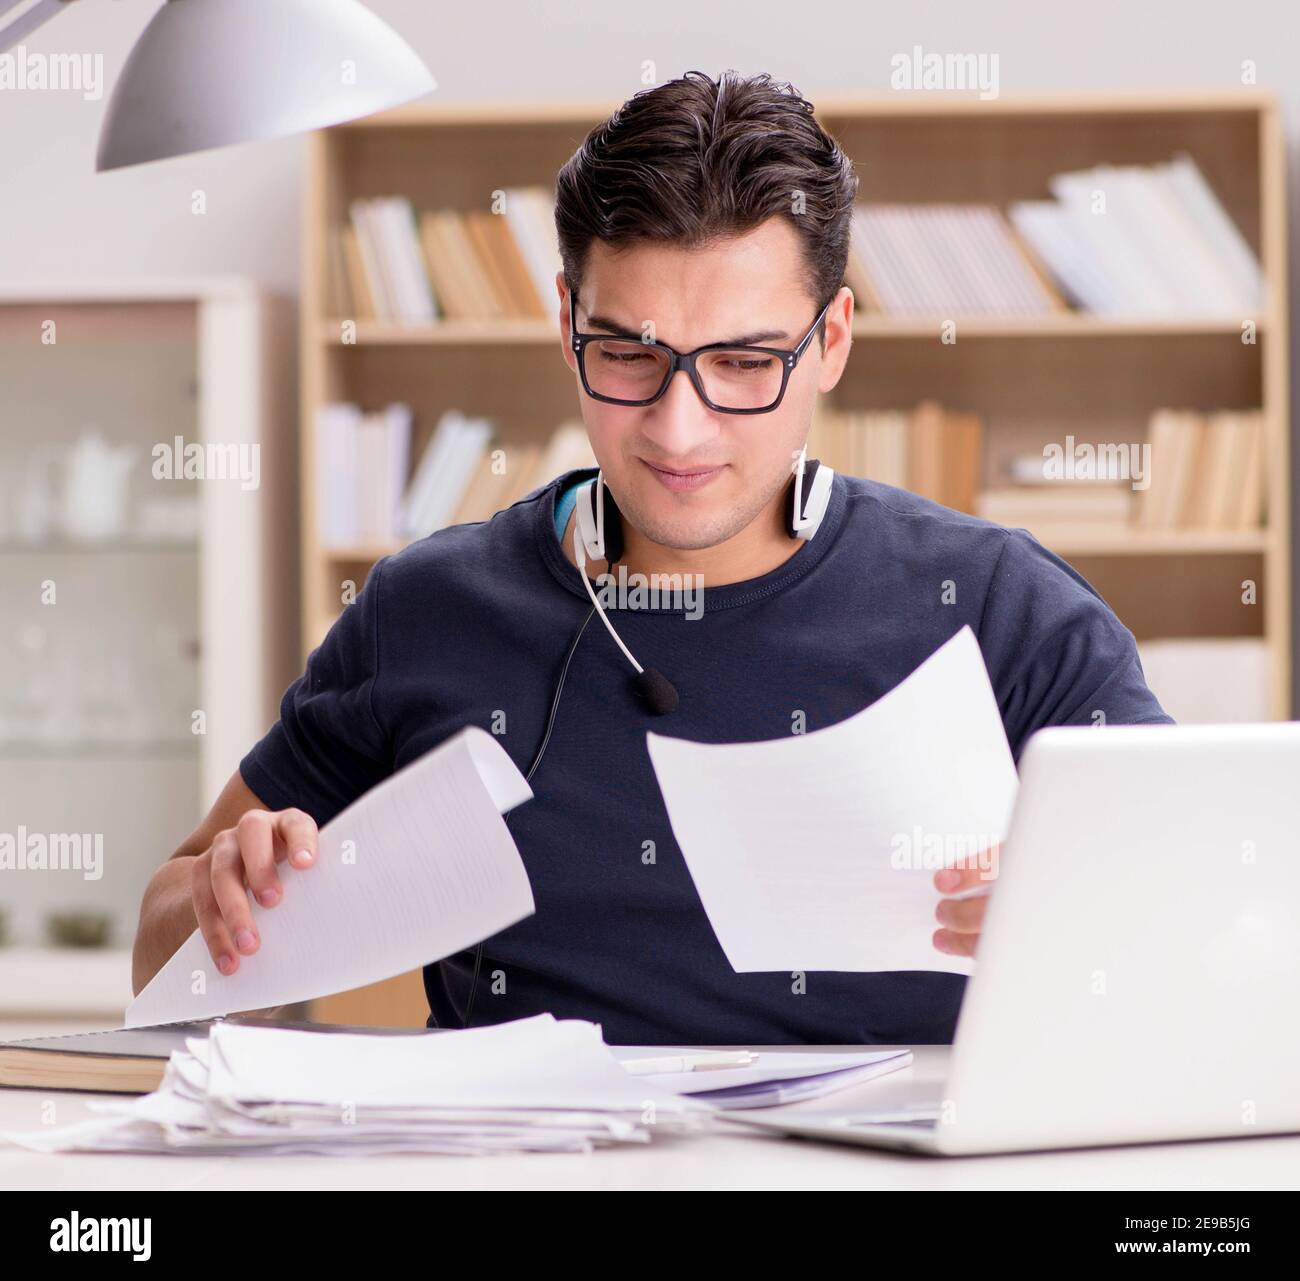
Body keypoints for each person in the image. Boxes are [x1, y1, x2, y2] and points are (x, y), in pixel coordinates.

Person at [132, 69, 1172, 1045]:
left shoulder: (997, 607)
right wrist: (227, 896)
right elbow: (156, 956)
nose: (679, 430)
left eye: (743, 362)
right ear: (565, 320)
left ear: (834, 340)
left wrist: (1095, 917)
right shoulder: (428, 609)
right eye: (628, 355)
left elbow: (1210, 916)